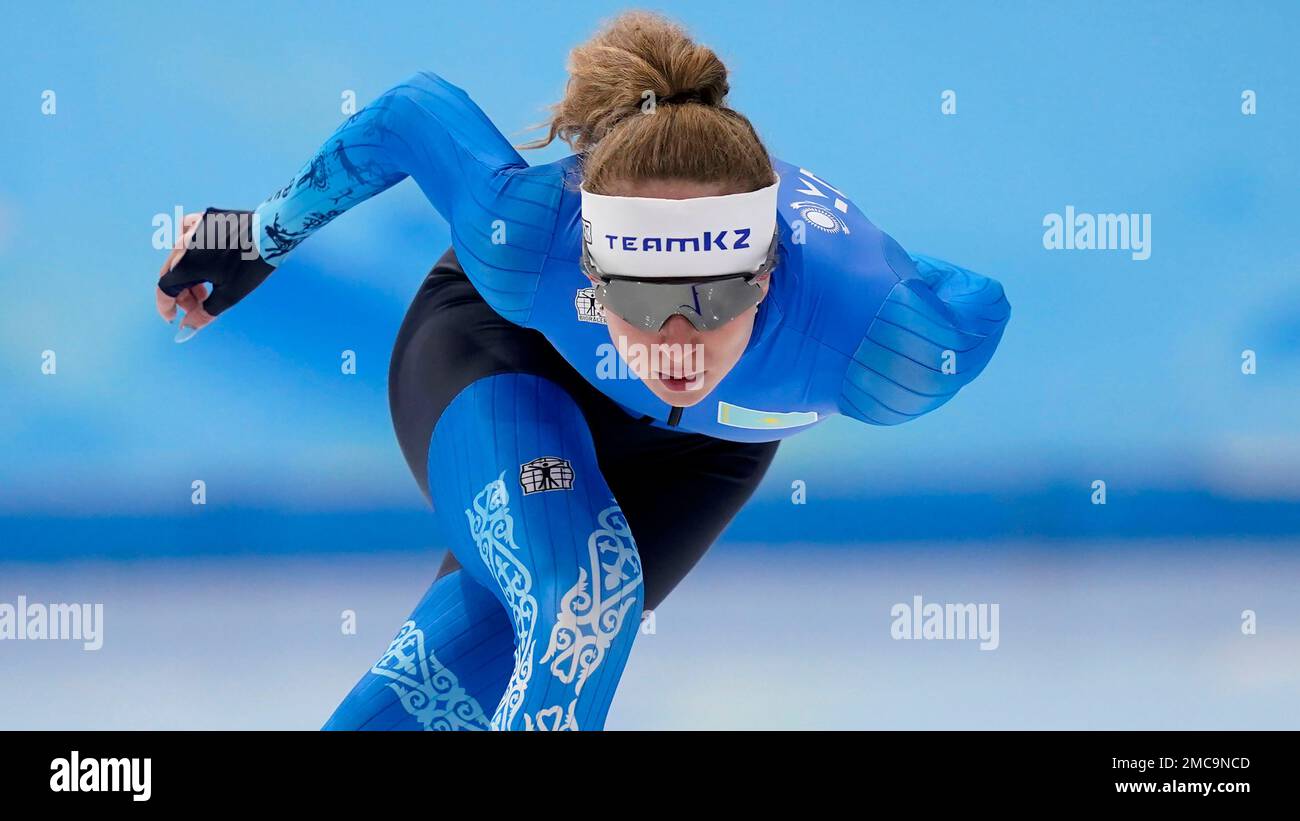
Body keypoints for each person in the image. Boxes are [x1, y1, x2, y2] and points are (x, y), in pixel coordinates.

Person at [155, 11, 1010, 731]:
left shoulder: (885, 345)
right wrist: (257, 236)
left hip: (699, 460)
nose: (679, 341)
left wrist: (876, 263)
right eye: (643, 298)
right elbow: (414, 114)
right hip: (505, 362)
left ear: (770, 273)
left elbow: (981, 301)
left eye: (715, 298)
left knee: (441, 688)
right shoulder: (531, 239)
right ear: (593, 276)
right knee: (580, 594)